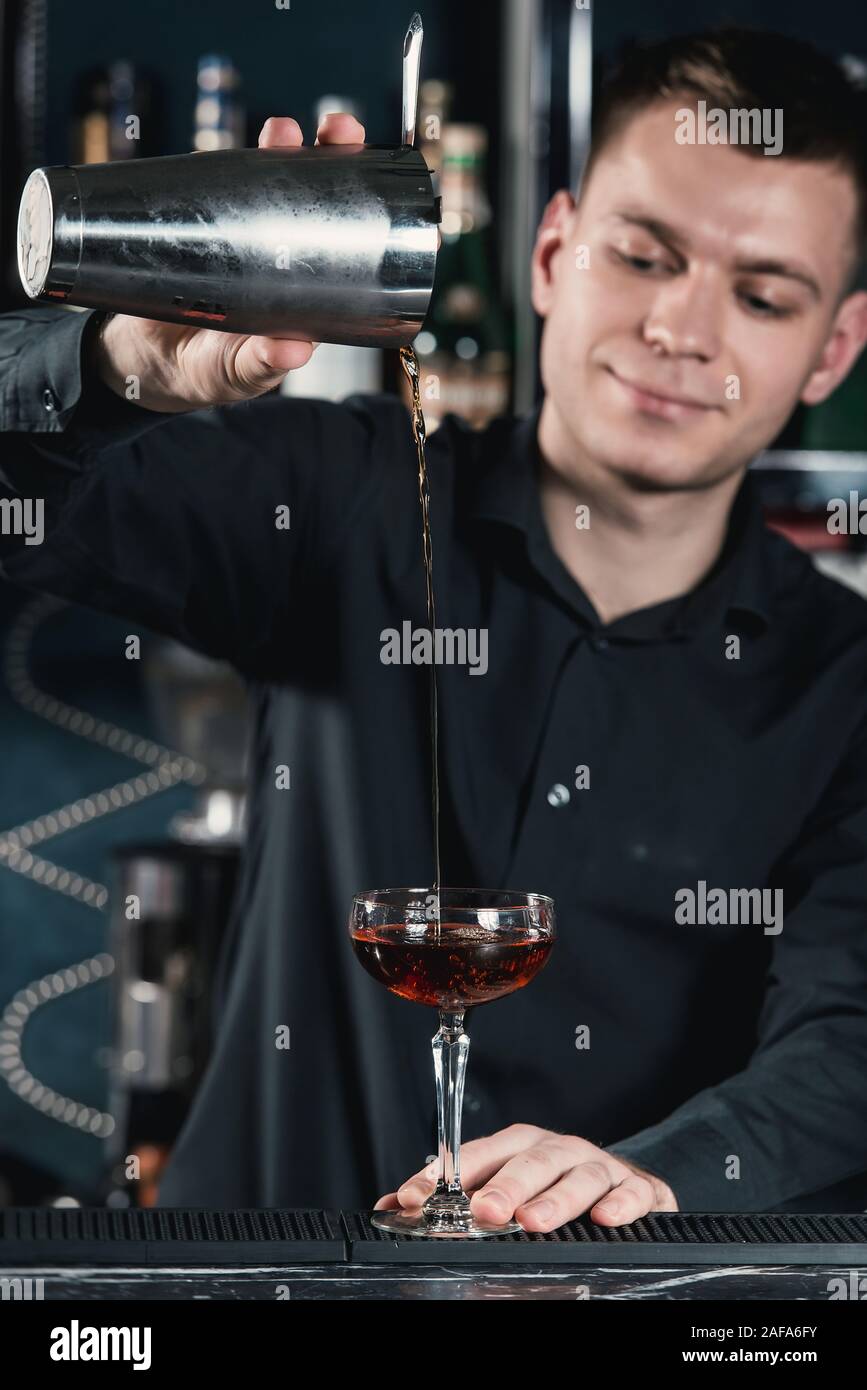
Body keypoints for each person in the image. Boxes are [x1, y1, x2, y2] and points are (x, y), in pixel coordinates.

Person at [2, 26, 867, 1229]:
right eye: (643, 254)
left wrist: (662, 1171)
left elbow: (852, 1036)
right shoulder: (345, 496)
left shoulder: (845, 685)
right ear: (556, 251)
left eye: (763, 293)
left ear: (832, 348)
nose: (684, 328)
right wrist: (116, 372)